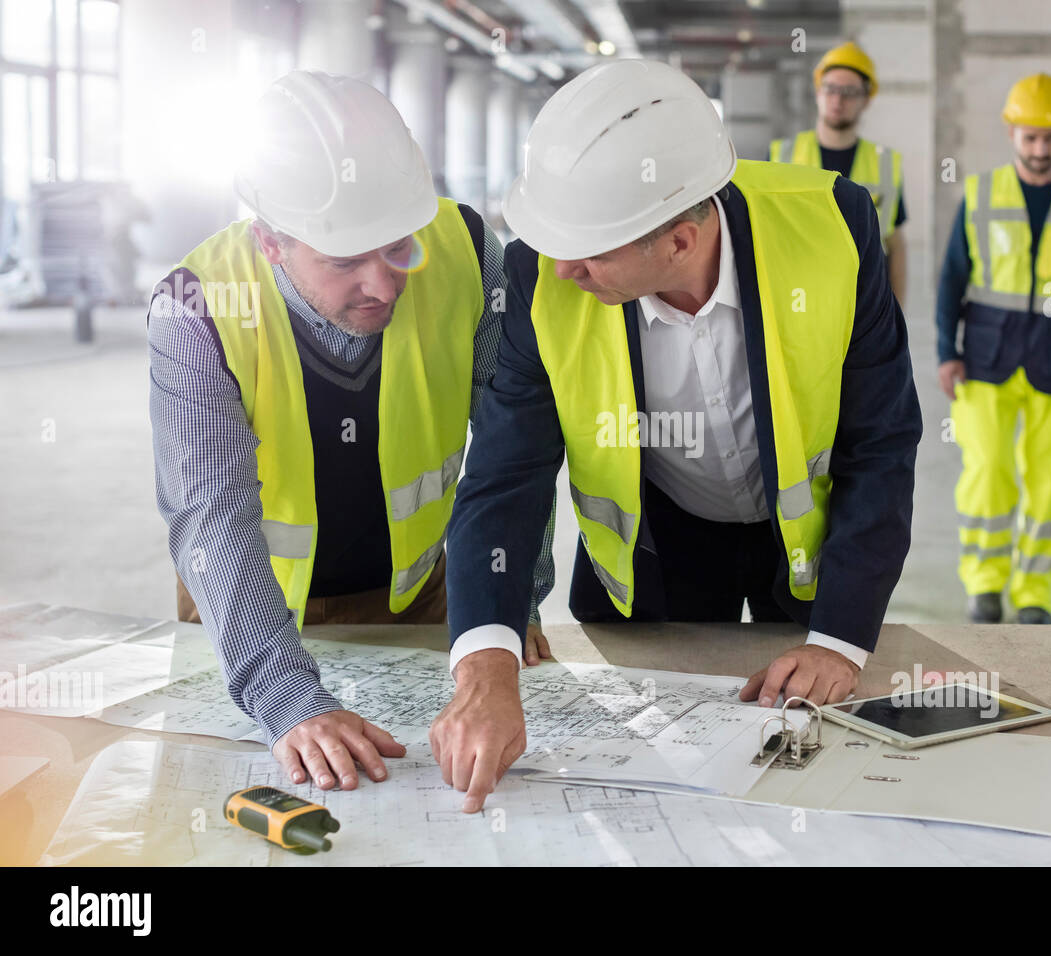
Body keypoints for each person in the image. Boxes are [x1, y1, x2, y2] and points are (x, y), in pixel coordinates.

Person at [431, 59, 922, 812]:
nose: (564, 267)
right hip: (656, 551)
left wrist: (840, 641)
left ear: (683, 241)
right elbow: (505, 475)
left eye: (588, 248)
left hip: (807, 543)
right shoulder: (541, 277)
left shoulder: (836, 229)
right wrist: (487, 665)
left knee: (815, 791)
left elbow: (881, 440)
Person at [147, 71, 554, 790]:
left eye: (398, 246)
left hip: (429, 590)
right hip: (255, 604)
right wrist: (285, 696)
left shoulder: (464, 249)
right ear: (271, 243)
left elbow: (512, 447)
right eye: (344, 262)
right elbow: (212, 516)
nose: (384, 283)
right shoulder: (197, 308)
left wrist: (510, 601)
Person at [935, 72, 1051, 625]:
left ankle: (1035, 592)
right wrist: (947, 349)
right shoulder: (981, 193)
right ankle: (984, 586)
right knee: (987, 471)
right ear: (1012, 133)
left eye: (1050, 138)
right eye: (1030, 138)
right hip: (986, 358)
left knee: (1049, 478)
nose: (1040, 149)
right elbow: (951, 279)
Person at [769, 41, 908, 306]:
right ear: (818, 92)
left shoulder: (886, 164)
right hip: (798, 301)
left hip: (862, 305)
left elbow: (895, 245)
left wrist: (896, 316)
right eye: (830, 89)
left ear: (866, 99)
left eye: (849, 92)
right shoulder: (782, 156)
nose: (837, 99)